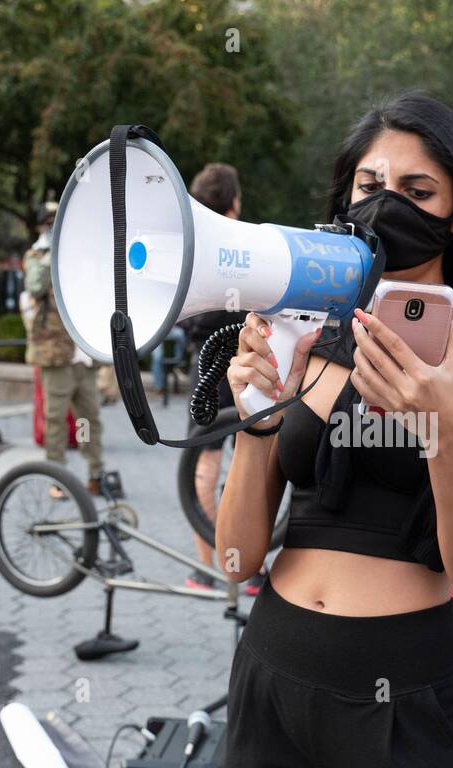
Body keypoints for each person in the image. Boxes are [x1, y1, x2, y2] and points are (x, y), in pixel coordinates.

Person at [213, 91, 453, 768]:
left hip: (401, 697)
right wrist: (259, 417)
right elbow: (234, 560)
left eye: (417, 190)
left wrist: (444, 427)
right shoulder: (307, 326)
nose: (386, 204)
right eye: (369, 186)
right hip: (273, 676)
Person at [175, 162, 265, 594]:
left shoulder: (191, 243)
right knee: (252, 454)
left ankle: (206, 566)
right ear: (233, 200)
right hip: (247, 356)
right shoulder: (248, 240)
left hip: (205, 361)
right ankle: (249, 566)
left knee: (203, 461)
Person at [23, 201, 106, 496]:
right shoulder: (36, 255)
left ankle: (95, 473)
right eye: (49, 221)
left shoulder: (84, 254)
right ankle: (57, 477)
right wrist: (50, 255)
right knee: (55, 418)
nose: (54, 225)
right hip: (55, 353)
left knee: (87, 418)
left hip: (82, 353)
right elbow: (35, 287)